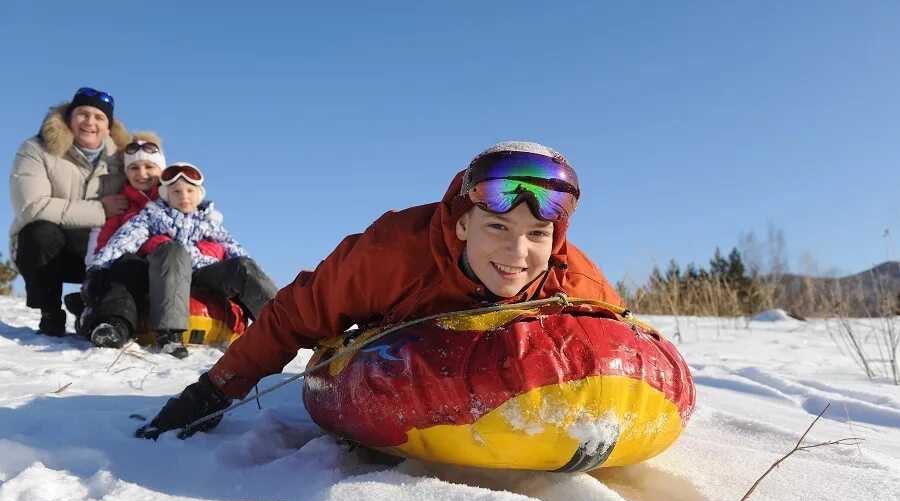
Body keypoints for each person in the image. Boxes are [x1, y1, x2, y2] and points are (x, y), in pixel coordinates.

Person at [136, 141, 624, 440]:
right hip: (391, 341)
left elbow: (624, 352)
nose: (517, 251)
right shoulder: (391, 252)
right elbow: (296, 313)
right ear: (461, 225)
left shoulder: (577, 283)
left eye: (537, 235)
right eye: (497, 227)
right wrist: (213, 391)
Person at [88, 162, 278, 358]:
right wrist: (98, 267)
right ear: (165, 195)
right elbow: (124, 240)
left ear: (199, 194)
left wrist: (246, 268)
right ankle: (170, 335)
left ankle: (283, 323)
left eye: (189, 191)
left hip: (204, 274)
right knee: (173, 250)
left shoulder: (209, 222)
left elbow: (235, 250)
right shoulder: (153, 217)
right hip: (168, 272)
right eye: (176, 192)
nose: (184, 197)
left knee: (243, 266)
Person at [8, 87, 130, 336]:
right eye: (83, 114)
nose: (90, 122)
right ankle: (50, 314)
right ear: (69, 118)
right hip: (51, 249)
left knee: (129, 248)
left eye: (99, 117)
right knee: (39, 232)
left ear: (109, 128)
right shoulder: (37, 149)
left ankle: (93, 308)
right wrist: (100, 209)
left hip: (97, 249)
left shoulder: (123, 160)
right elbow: (32, 205)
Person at [78, 131, 167, 347]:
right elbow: (101, 241)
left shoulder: (174, 198)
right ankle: (114, 325)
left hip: (168, 269)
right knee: (128, 266)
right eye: (134, 168)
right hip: (131, 271)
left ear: (161, 170)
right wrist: (96, 268)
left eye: (149, 167)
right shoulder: (120, 204)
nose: (142, 173)